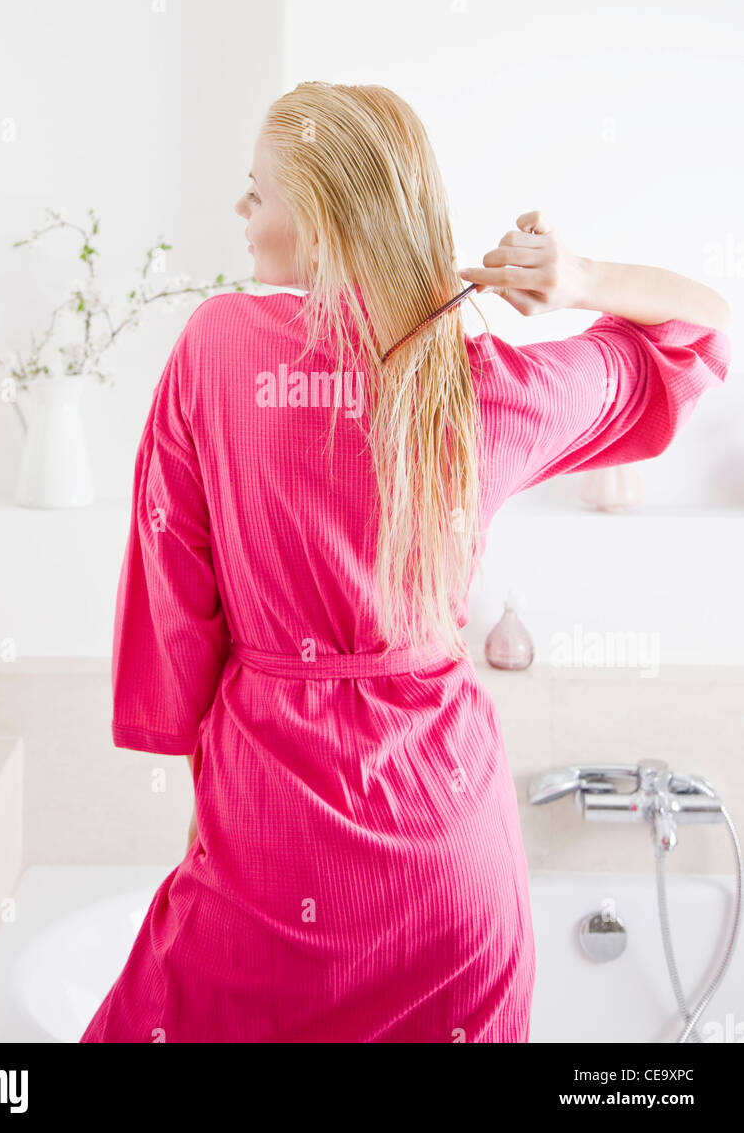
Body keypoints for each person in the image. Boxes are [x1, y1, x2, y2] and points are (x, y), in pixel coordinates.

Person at [80, 81, 730, 1044]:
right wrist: (578, 278)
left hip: (268, 838)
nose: (240, 210)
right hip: (447, 864)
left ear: (323, 223)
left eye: (256, 193)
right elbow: (700, 330)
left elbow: (175, 586)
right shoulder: (481, 389)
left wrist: (205, 783)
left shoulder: (215, 350)